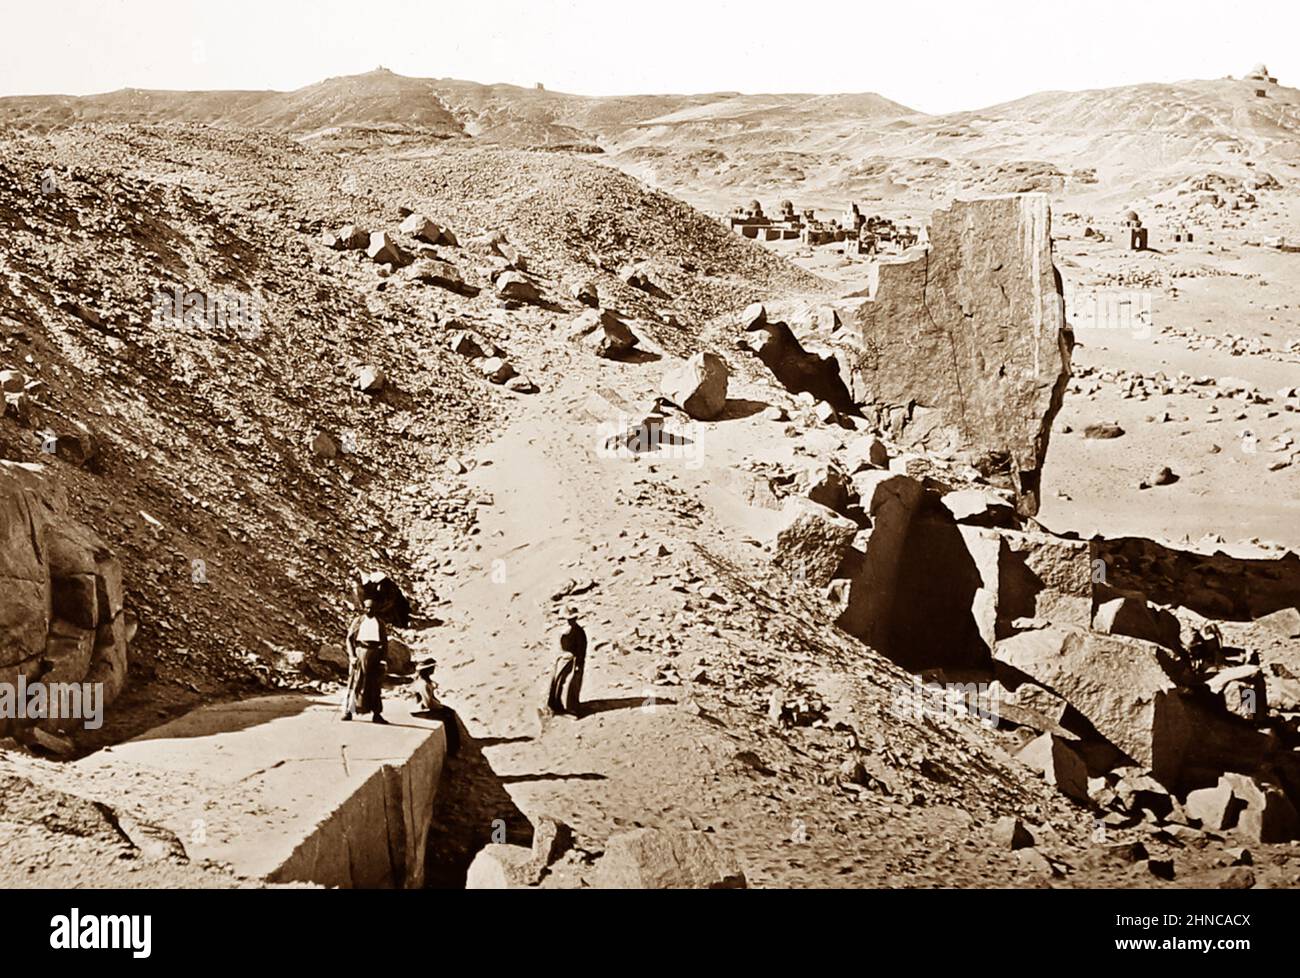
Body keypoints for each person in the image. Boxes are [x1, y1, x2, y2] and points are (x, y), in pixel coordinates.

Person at [342, 599, 388, 724]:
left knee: (374, 685)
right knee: (356, 683)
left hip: (375, 656)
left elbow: (385, 643)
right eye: (367, 608)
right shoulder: (358, 621)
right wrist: (352, 656)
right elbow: (349, 639)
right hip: (360, 653)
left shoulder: (380, 623)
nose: (369, 610)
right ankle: (348, 711)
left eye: (372, 608)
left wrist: (383, 659)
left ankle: (377, 714)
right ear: (363, 608)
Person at [546, 606, 587, 717]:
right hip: (563, 660)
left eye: (572, 619)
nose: (570, 621)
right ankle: (556, 706)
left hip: (573, 661)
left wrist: (578, 663)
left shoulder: (579, 632)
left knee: (570, 684)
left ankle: (570, 709)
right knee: (558, 682)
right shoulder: (565, 629)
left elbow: (581, 649)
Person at [412, 658, 459, 754]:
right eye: (432, 668)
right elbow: (428, 703)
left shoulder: (423, 681)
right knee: (448, 716)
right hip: (421, 711)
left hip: (423, 708)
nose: (433, 670)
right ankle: (452, 748)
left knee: (449, 712)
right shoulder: (423, 684)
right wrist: (440, 707)